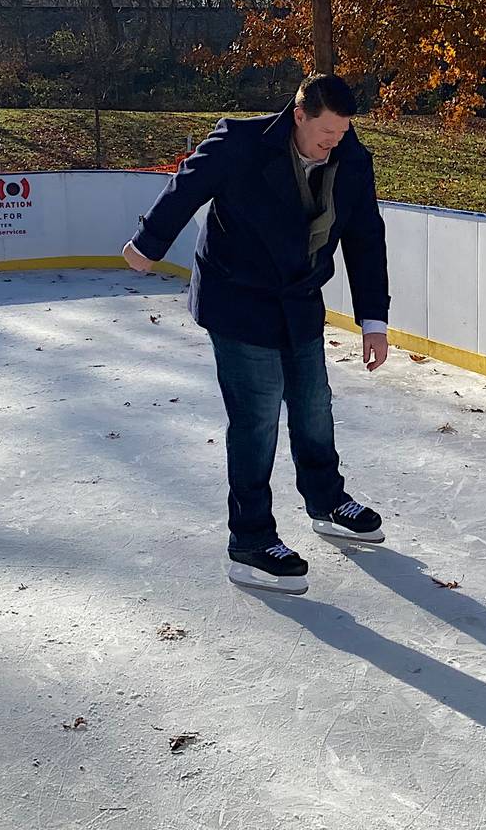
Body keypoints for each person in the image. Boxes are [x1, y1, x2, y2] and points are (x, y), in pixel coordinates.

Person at [122, 74, 391, 595]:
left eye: (342, 132)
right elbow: (188, 185)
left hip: (299, 299)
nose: (334, 141)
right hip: (238, 296)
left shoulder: (352, 158)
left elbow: (365, 237)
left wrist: (373, 321)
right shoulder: (241, 142)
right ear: (298, 115)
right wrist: (148, 242)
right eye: (326, 132)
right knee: (257, 418)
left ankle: (326, 501)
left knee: (314, 406)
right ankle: (250, 541)